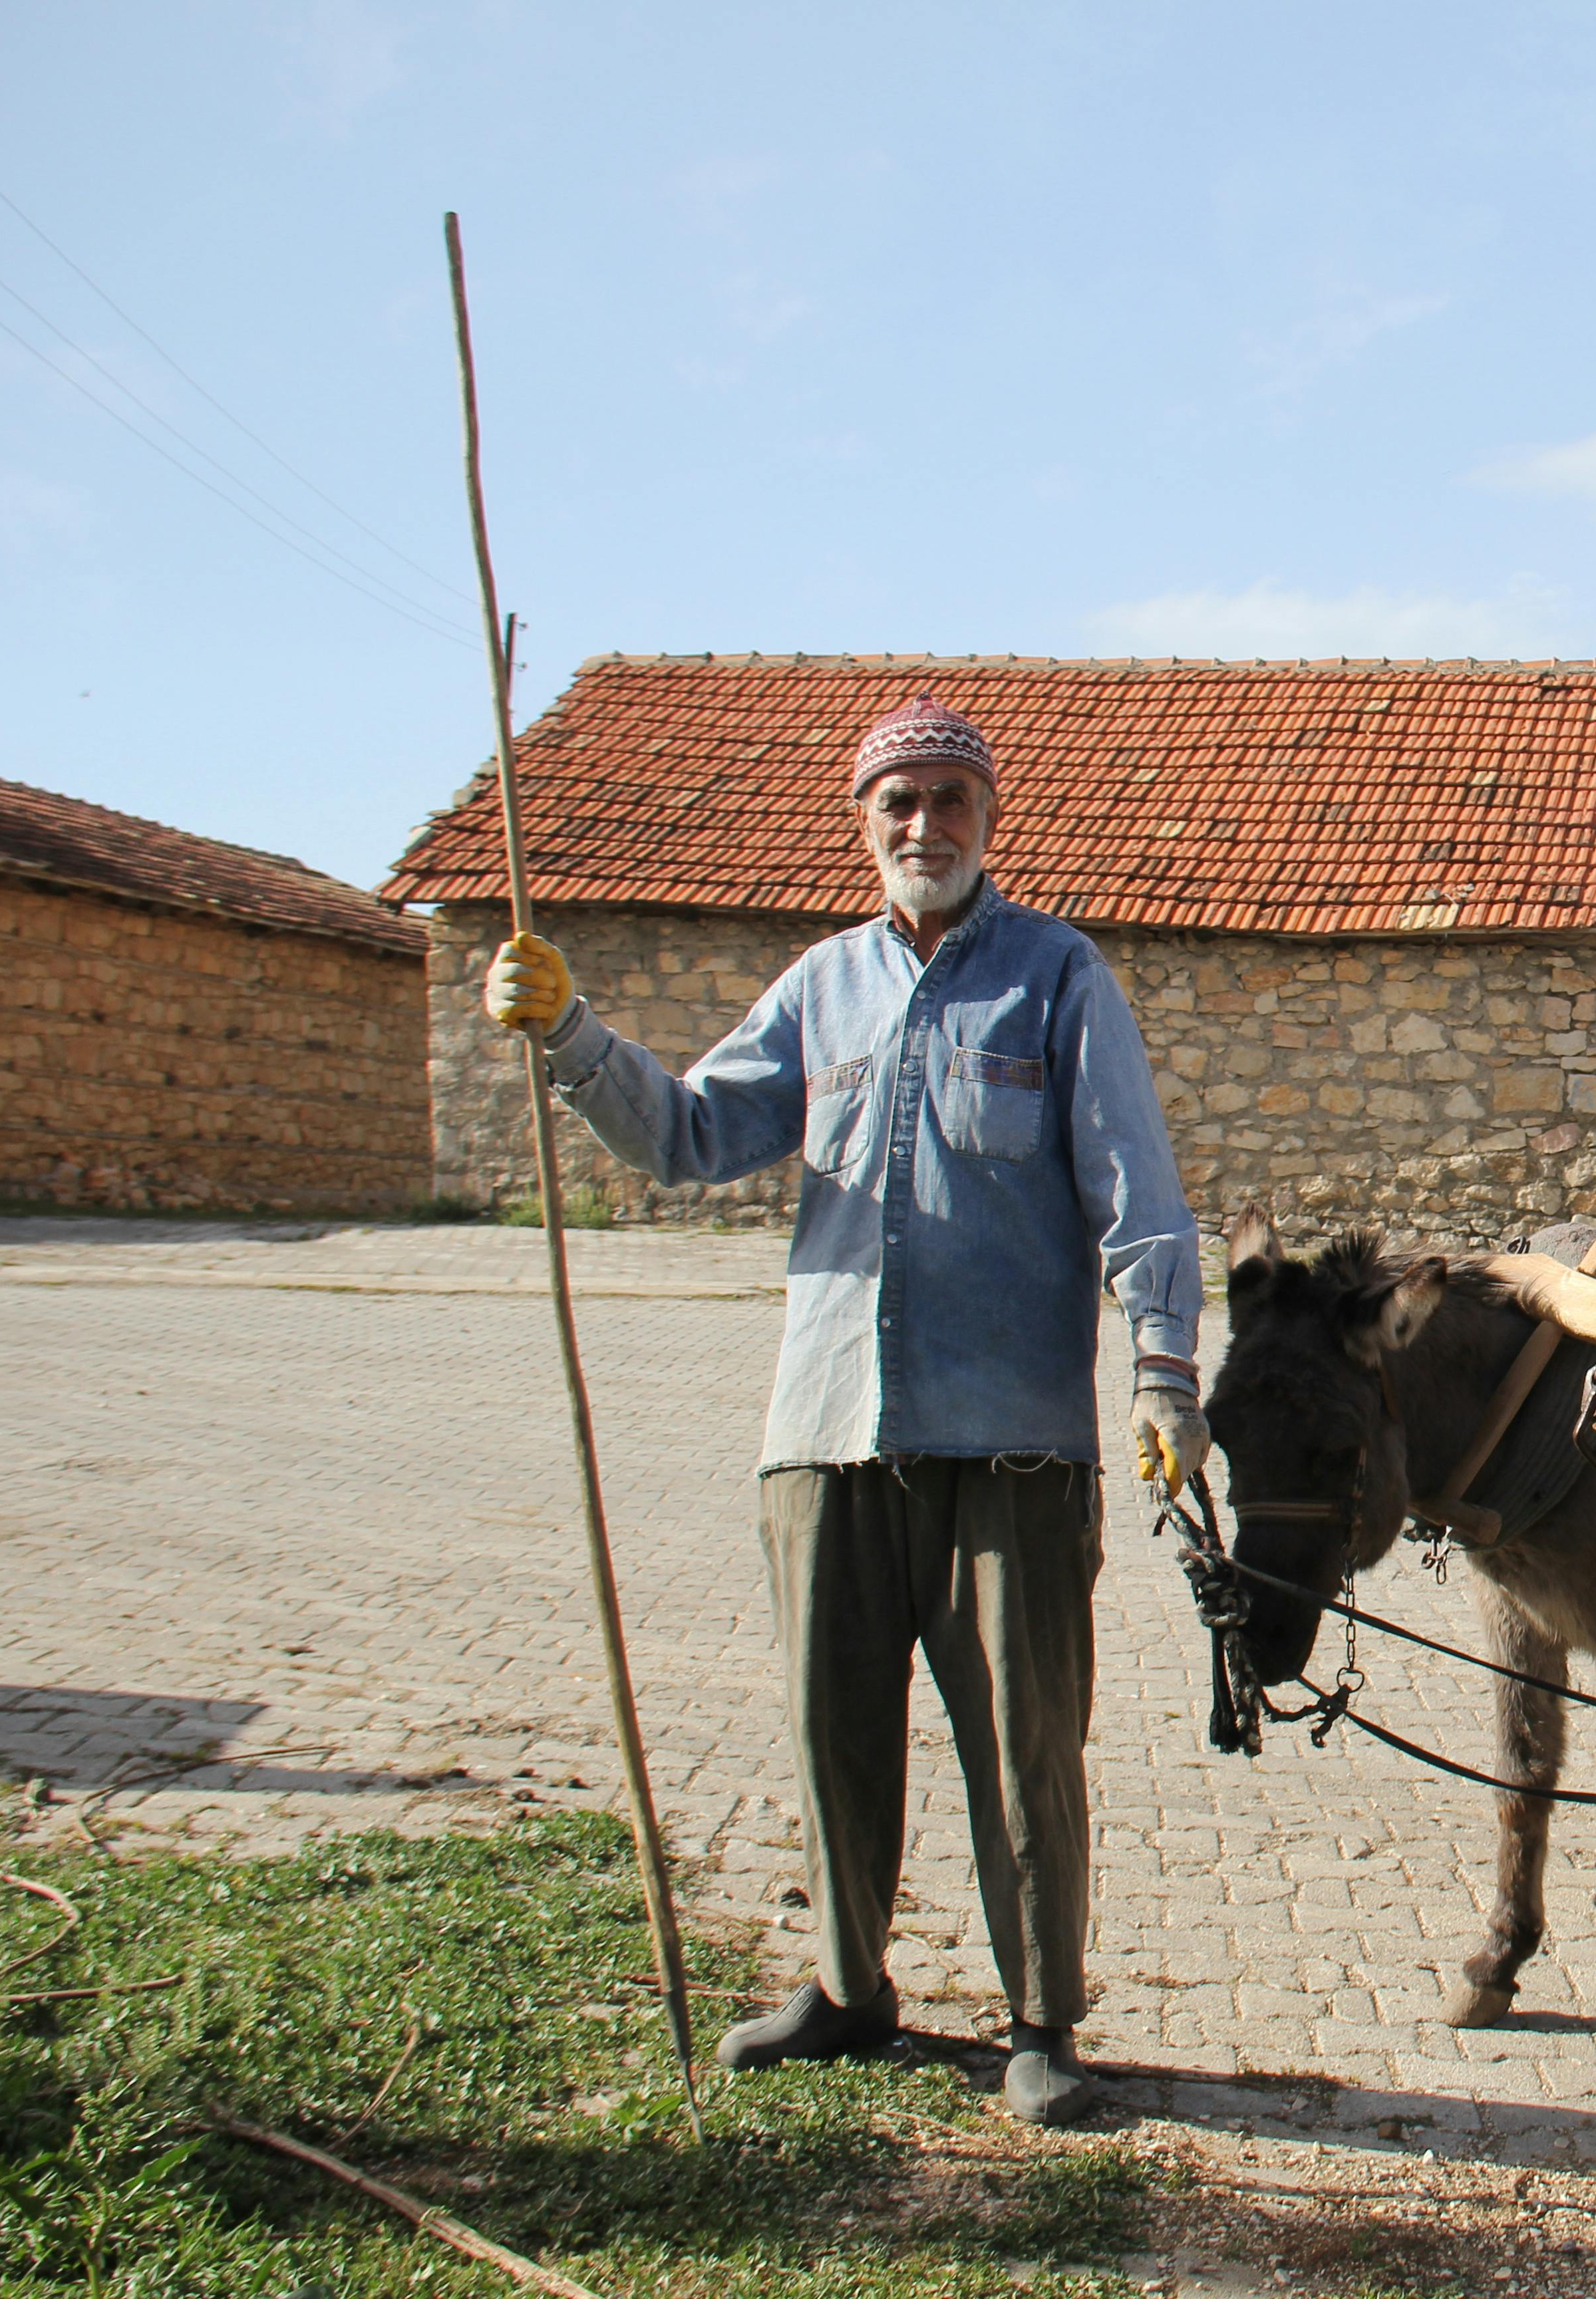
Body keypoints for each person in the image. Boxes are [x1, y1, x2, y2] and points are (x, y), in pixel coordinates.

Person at [481, 692, 1205, 2123]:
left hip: (1010, 1444)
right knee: (834, 1728)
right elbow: (690, 1138)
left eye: (950, 798)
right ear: (861, 821)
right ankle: (849, 1987)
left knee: (1024, 1743)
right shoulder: (820, 990)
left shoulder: (1059, 978)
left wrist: (1164, 1376)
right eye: (899, 801)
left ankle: (1043, 2023)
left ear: (990, 820)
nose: (924, 824)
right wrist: (571, 1034)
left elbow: (1139, 1195)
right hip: (825, 1436)